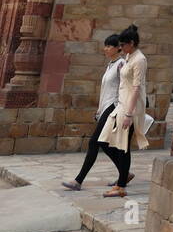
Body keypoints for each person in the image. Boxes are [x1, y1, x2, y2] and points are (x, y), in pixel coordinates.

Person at [61, 35, 126, 191]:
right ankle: (125, 172)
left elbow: (125, 88)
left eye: (109, 46)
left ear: (119, 47)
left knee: (94, 142)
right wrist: (99, 109)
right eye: (106, 46)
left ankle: (78, 180)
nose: (106, 49)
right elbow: (105, 90)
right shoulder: (110, 65)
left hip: (114, 107)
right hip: (105, 107)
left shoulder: (122, 64)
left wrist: (119, 109)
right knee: (104, 143)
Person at [98, 24, 148, 197]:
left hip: (130, 107)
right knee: (104, 141)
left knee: (123, 146)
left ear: (131, 43)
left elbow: (136, 88)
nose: (121, 48)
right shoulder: (129, 57)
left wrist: (129, 114)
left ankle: (121, 186)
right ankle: (123, 177)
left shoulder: (139, 59)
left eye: (124, 45)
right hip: (121, 104)